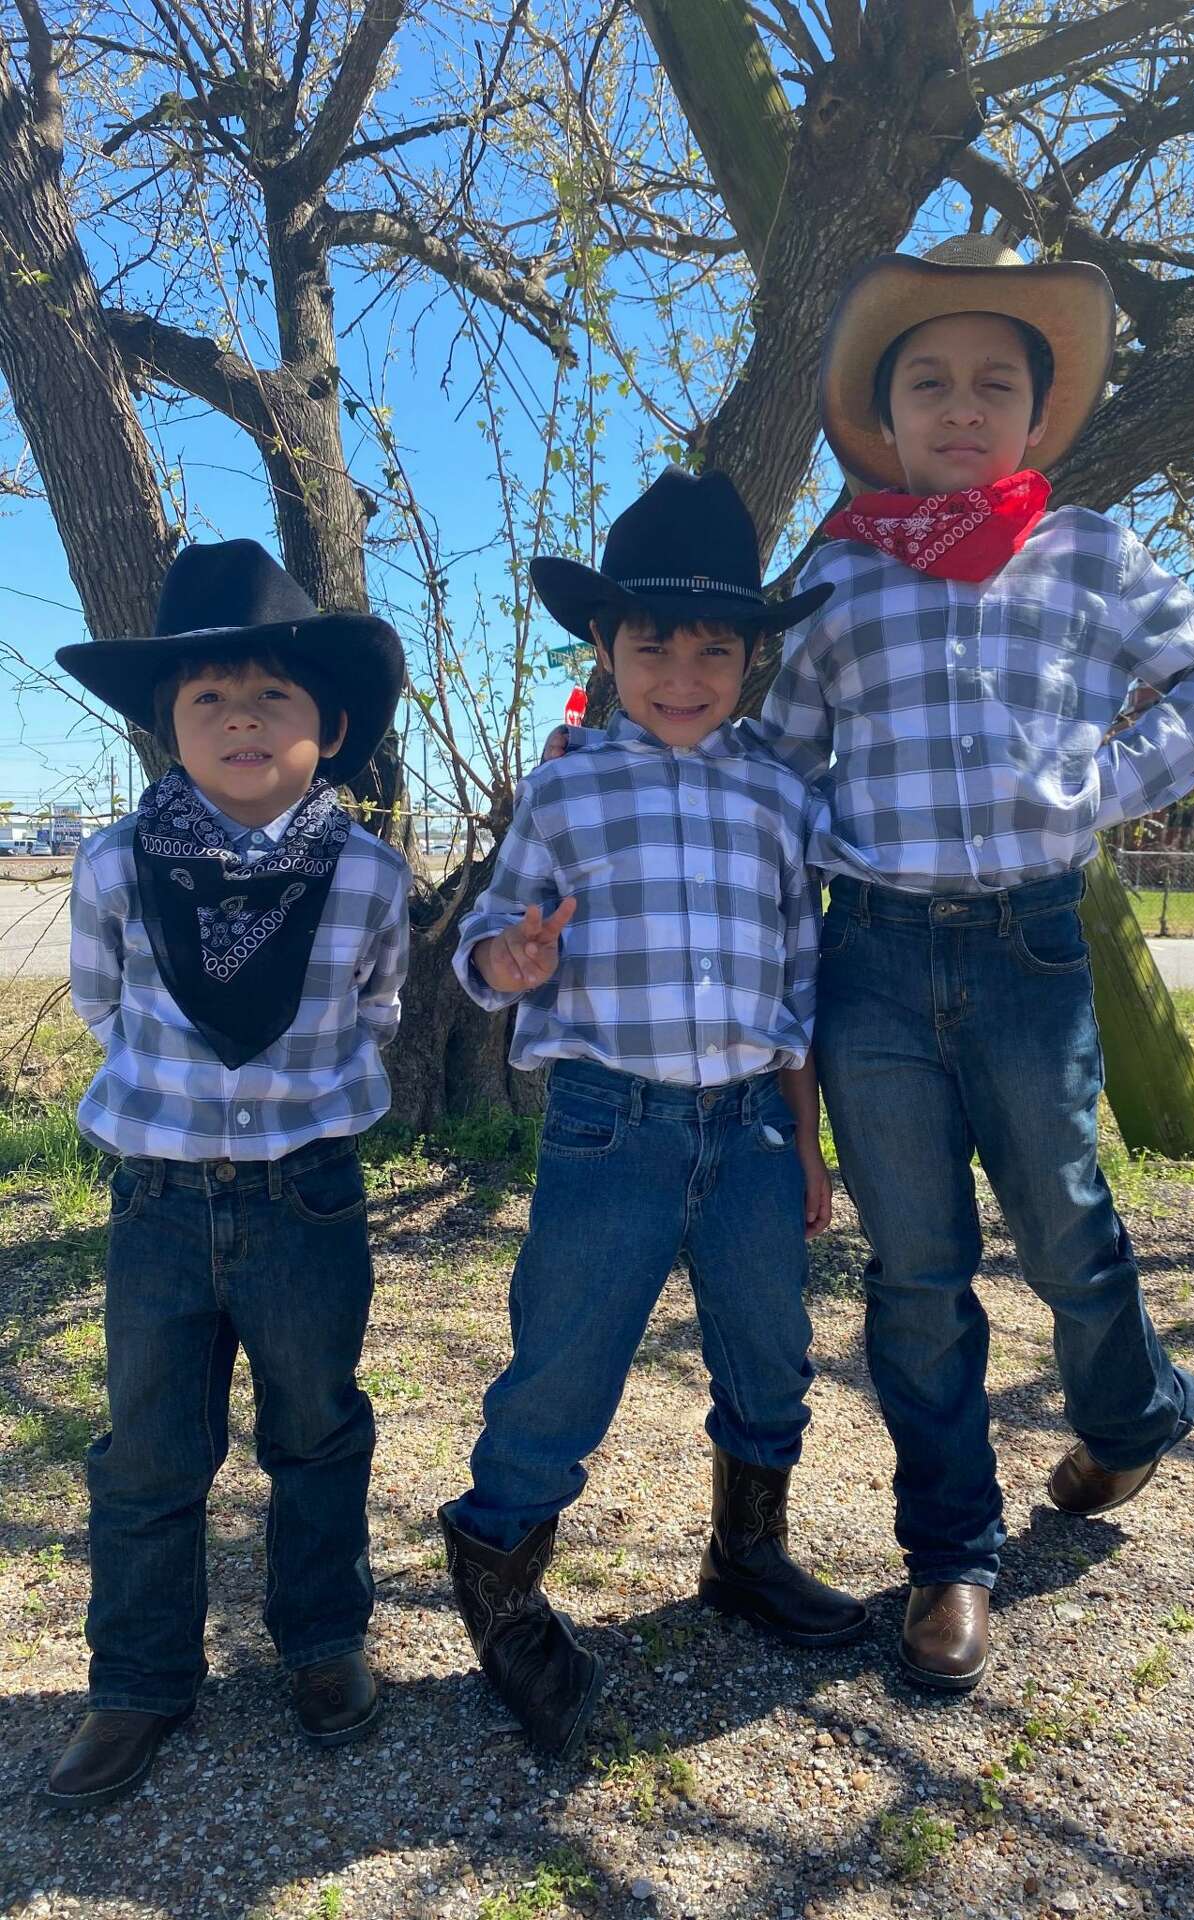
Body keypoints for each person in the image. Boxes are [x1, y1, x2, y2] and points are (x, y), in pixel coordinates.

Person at [753, 235, 1194, 1692]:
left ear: (1038, 415)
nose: (963, 404)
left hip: (1030, 951)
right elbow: (780, 770)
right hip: (872, 958)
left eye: (996, 382)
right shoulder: (835, 576)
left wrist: (1102, 786)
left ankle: (1131, 1411)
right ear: (886, 414)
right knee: (917, 1270)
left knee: (1062, 1227)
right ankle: (952, 1559)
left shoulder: (1090, 554)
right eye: (929, 381)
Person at [440, 469, 868, 1762]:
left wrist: (806, 1141)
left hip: (748, 1127)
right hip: (607, 1126)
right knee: (564, 1361)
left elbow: (797, 984)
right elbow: (489, 929)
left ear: (751, 659)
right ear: (606, 646)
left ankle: (748, 1552)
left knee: (770, 1350)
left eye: (713, 651)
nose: (682, 674)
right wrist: (509, 956)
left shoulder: (779, 795)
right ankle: (502, 1588)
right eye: (651, 647)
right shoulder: (565, 790)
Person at [46, 541, 409, 1808]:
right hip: (158, 1199)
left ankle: (322, 1640)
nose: (242, 719)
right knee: (148, 1450)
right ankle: (138, 1678)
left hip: (307, 1195)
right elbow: (102, 1005)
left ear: (331, 727)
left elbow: (376, 1010)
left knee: (317, 1428)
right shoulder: (114, 865)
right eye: (209, 697)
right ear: (168, 725)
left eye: (272, 696)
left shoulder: (368, 875)